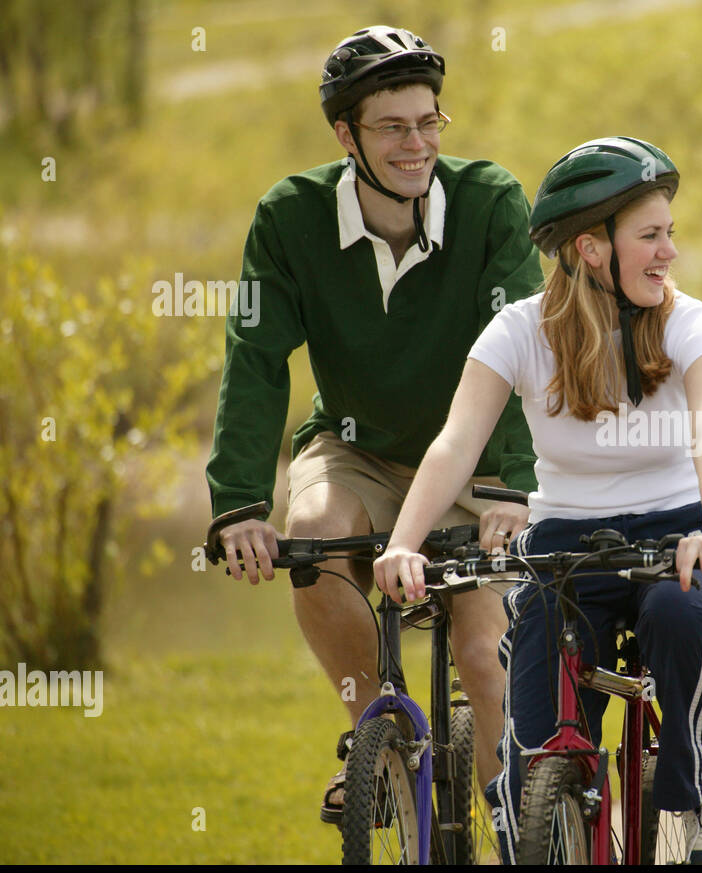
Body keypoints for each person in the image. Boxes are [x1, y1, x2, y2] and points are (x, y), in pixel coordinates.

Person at [374, 137, 702, 864]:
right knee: (535, 747)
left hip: (679, 534)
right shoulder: (519, 331)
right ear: (591, 248)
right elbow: (455, 443)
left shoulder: (690, 322)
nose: (669, 253)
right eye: (650, 236)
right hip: (565, 546)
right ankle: (558, 820)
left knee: (682, 617)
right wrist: (402, 541)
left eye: (668, 234)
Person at [204, 25, 542, 825]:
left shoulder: (492, 201)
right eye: (393, 127)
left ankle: (514, 832)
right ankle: (379, 740)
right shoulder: (289, 219)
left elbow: (530, 346)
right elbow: (254, 359)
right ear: (345, 134)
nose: (416, 143)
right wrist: (241, 504)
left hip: (472, 458)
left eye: (429, 122)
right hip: (354, 447)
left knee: (483, 655)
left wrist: (508, 485)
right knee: (315, 535)